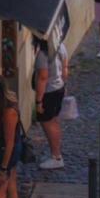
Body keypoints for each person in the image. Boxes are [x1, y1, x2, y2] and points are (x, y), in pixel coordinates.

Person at [34, 37, 68, 169]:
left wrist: (38, 101)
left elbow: (43, 78)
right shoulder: (61, 46)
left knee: (47, 123)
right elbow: (65, 69)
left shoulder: (44, 53)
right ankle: (55, 153)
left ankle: (56, 156)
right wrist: (64, 85)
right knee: (53, 121)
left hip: (49, 92)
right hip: (59, 88)